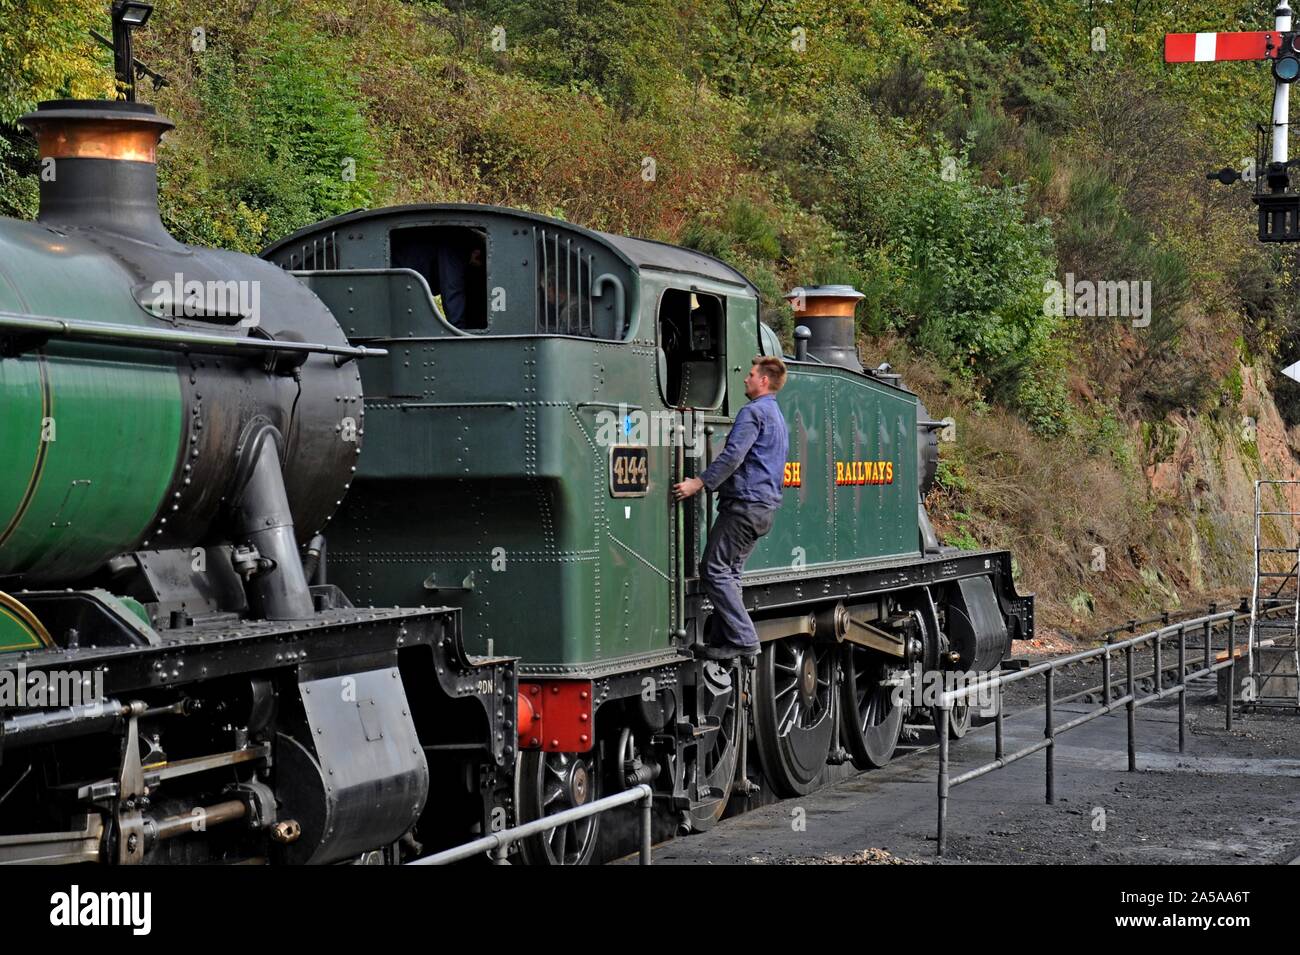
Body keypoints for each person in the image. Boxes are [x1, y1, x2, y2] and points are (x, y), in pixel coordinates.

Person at [672, 356, 790, 660]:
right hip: (763, 507)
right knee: (730, 572)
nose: (745, 379)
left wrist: (698, 482)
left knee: (712, 569)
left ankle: (745, 639)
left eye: (750, 375)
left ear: (764, 380)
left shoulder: (753, 413)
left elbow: (733, 456)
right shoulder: (775, 414)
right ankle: (726, 642)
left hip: (745, 505)